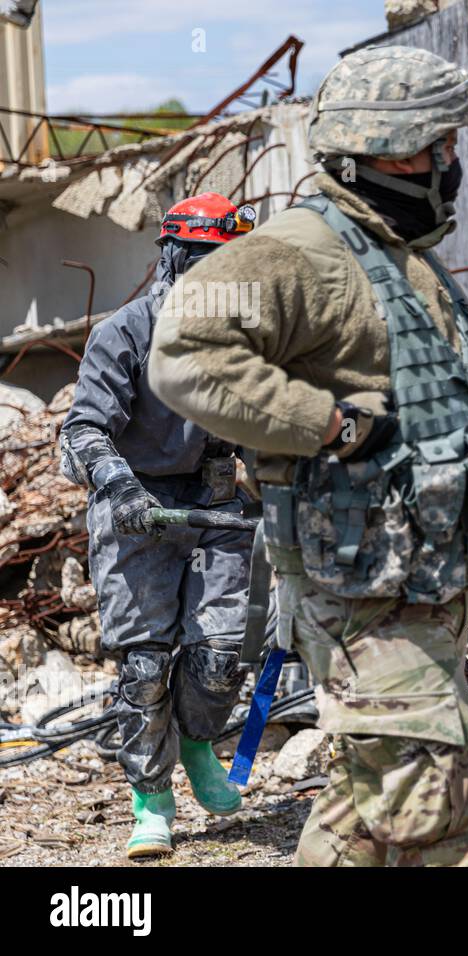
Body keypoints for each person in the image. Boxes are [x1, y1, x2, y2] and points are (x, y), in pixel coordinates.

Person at [147, 46, 468, 867]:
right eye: (440, 147)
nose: (452, 166)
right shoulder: (301, 249)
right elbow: (184, 353)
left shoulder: (395, 253)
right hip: (360, 590)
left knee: (365, 814)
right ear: (387, 151)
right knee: (460, 819)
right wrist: (330, 425)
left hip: (418, 582)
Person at [59, 193, 257, 859]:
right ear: (173, 259)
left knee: (220, 657)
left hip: (212, 502)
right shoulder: (124, 334)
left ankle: (199, 746)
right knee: (145, 665)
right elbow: (84, 426)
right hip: (136, 505)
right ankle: (152, 800)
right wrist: (118, 487)